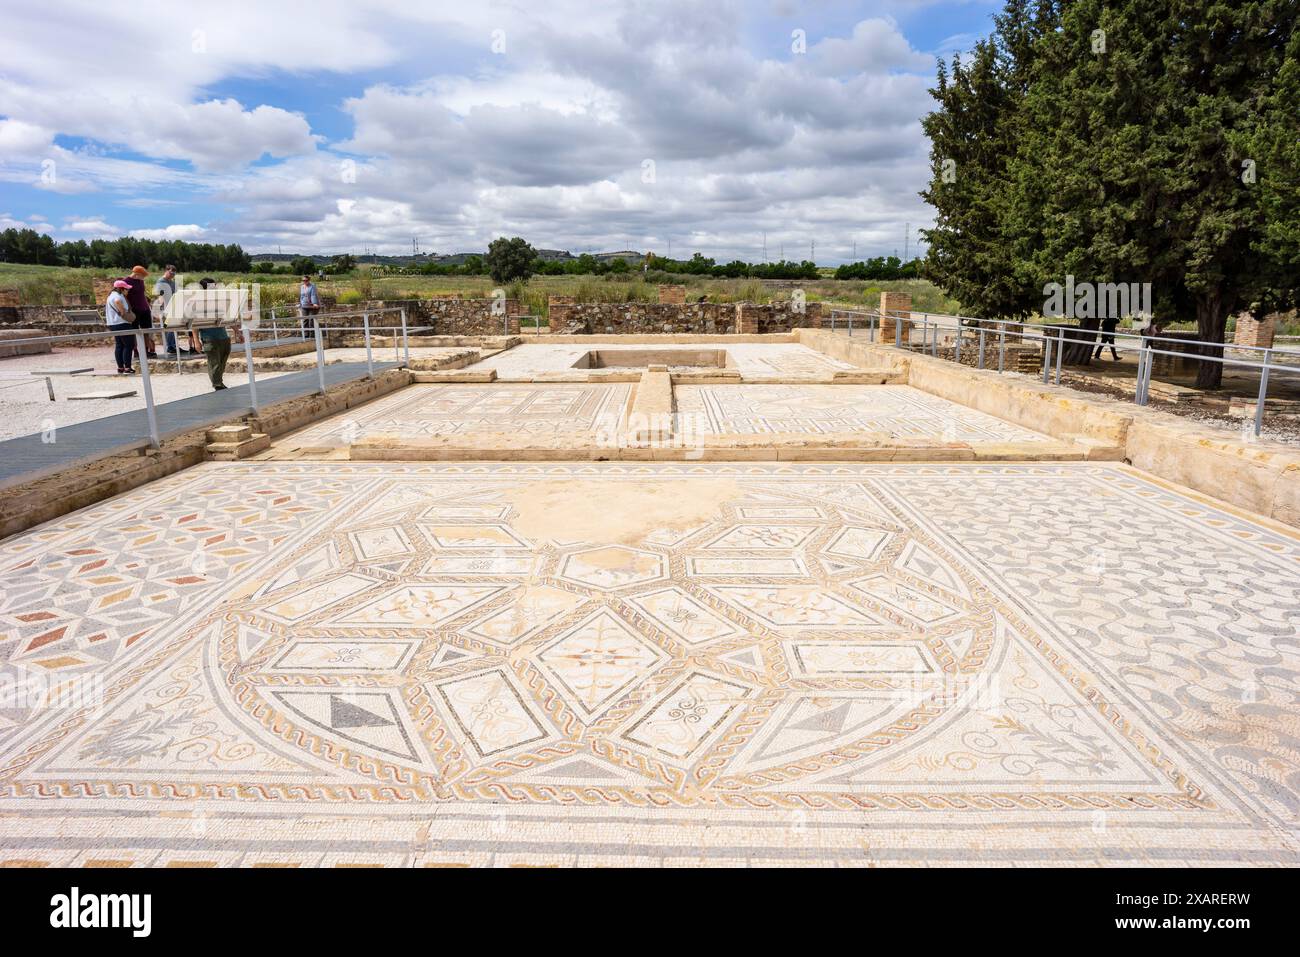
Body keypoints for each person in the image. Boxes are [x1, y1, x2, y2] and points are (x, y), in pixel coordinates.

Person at [194, 277, 232, 390]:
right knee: (214, 364)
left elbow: (227, 316)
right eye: (212, 286)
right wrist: (196, 341)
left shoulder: (219, 301)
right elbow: (194, 324)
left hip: (223, 337)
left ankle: (219, 383)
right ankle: (218, 385)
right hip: (209, 338)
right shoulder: (198, 304)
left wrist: (236, 331)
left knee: (222, 364)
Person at [123, 265, 157, 361]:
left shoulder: (141, 281)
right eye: (143, 275)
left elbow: (142, 294)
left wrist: (147, 304)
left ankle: (146, 351)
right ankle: (136, 351)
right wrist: (129, 308)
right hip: (134, 309)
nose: (144, 278)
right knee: (135, 331)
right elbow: (124, 297)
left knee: (146, 330)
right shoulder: (126, 282)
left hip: (144, 308)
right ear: (137, 274)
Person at [105, 279, 136, 374]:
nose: (128, 291)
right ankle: (127, 367)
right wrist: (123, 312)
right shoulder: (117, 296)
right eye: (126, 289)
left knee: (119, 345)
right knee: (129, 345)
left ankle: (120, 367)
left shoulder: (110, 296)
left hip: (112, 323)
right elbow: (118, 301)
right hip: (122, 323)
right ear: (121, 289)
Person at [154, 264, 183, 358]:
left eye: (174, 274)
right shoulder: (161, 281)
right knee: (168, 328)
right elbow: (160, 295)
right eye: (171, 273)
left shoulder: (172, 282)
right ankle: (170, 347)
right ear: (166, 271)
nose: (172, 275)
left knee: (173, 327)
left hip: (173, 307)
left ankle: (173, 346)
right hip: (165, 308)